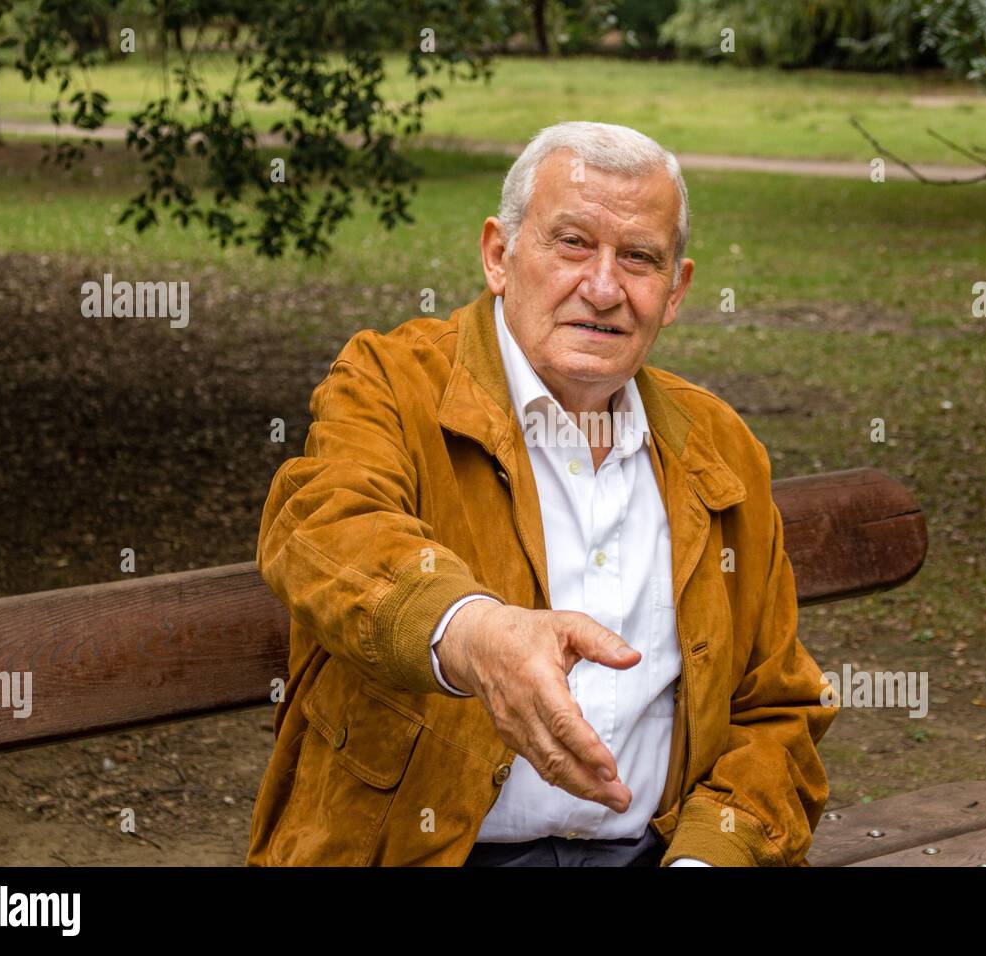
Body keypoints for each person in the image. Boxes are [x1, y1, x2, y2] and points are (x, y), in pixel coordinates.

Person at [246, 121, 838, 867]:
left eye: (639, 259)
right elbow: (324, 529)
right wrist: (474, 635)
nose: (603, 287)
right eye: (572, 243)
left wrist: (705, 860)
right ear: (500, 255)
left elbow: (775, 712)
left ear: (677, 289)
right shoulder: (392, 382)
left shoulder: (718, 447)